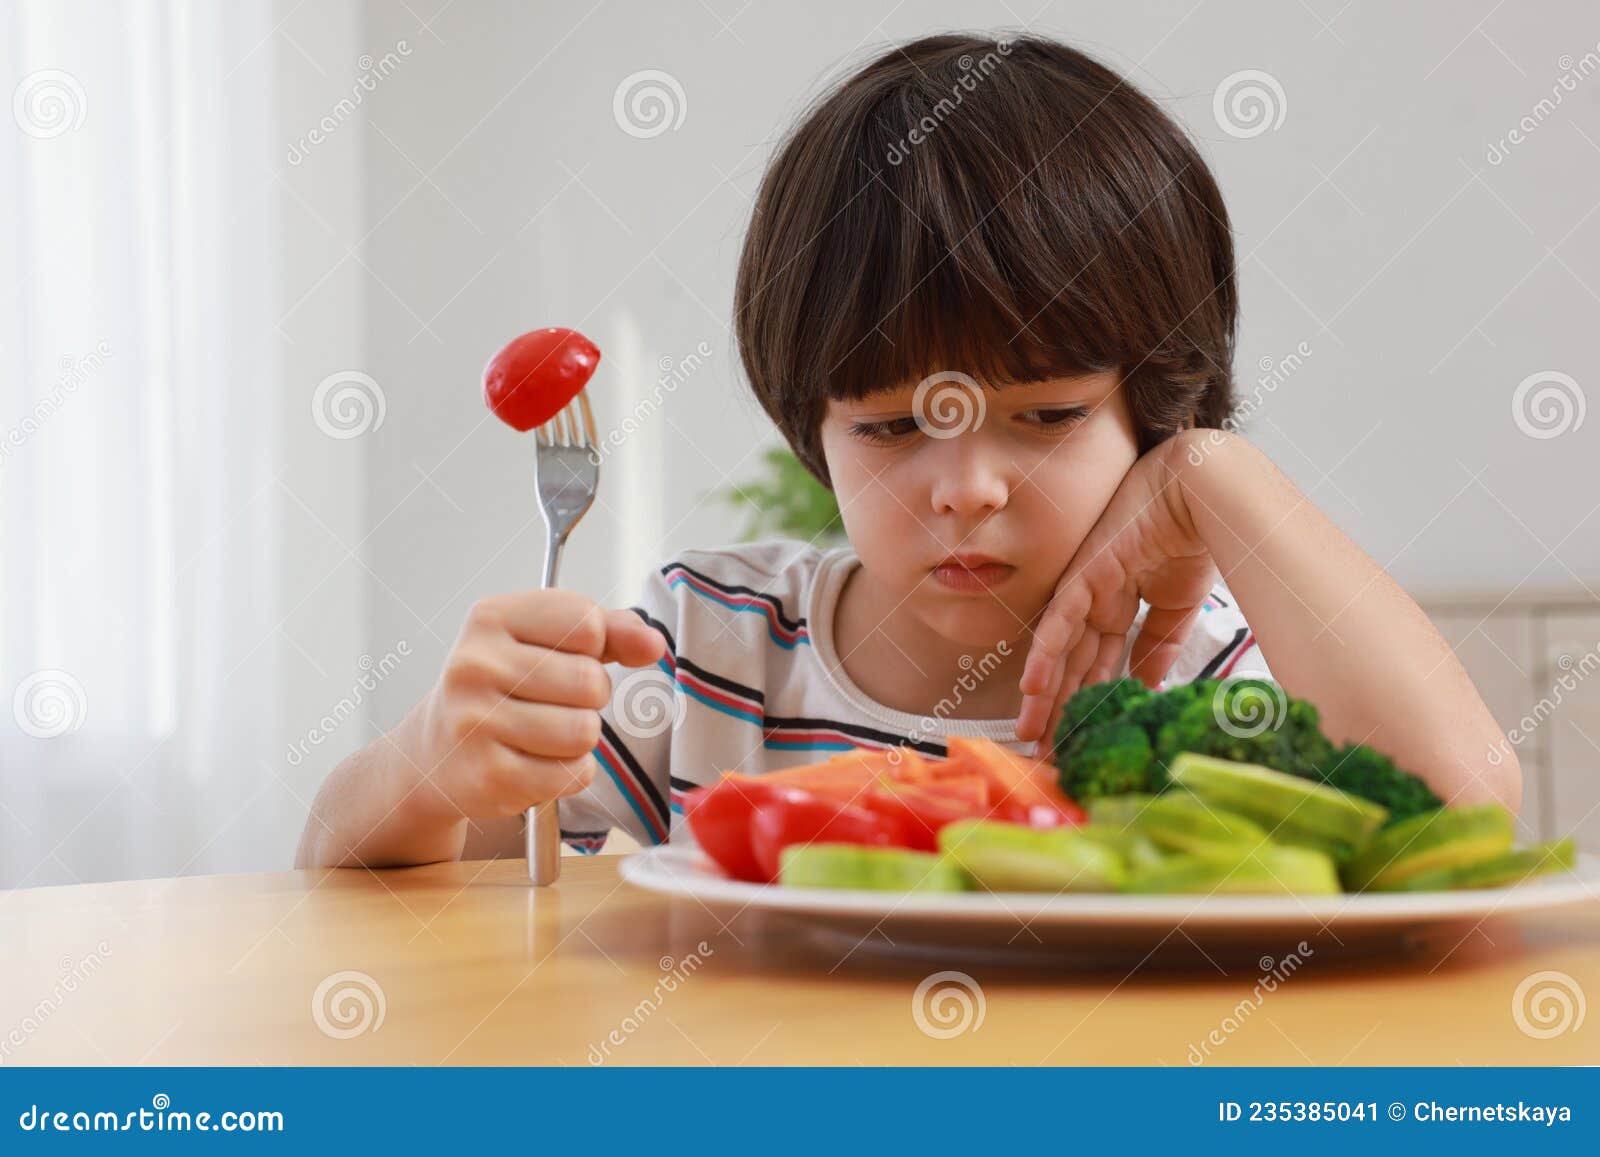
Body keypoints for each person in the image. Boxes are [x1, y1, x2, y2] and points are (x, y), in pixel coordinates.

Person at [296, 32, 1519, 870]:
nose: (965, 489)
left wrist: (1211, 474)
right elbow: (347, 869)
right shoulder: (707, 645)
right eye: (888, 427)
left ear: (1152, 407)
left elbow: (1462, 809)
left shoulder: (1200, 670)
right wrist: (427, 763)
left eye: (1047, 415)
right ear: (811, 427)